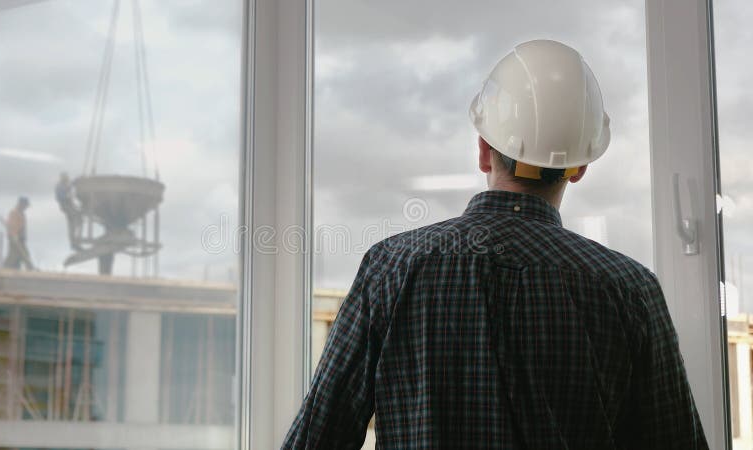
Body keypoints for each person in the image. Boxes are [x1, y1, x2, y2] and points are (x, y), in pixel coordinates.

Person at [282, 40, 707, 449]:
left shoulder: (392, 268)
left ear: (484, 151)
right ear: (578, 168)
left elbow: (317, 437)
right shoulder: (630, 290)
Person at [3, 196, 34, 270]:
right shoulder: (14, 213)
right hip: (16, 239)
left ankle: (8, 269)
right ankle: (31, 269)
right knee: (24, 256)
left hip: (20, 240)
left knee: (14, 257)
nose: (26, 207)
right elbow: (12, 226)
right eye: (25, 205)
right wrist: (14, 236)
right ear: (21, 204)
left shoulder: (21, 213)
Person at [55, 172, 82, 250]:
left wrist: (77, 179)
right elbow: (60, 197)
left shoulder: (65, 185)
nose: (67, 180)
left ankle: (75, 242)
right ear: (63, 178)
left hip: (69, 206)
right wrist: (68, 196)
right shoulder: (59, 186)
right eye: (66, 178)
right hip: (66, 207)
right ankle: (74, 243)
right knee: (73, 224)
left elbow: (71, 184)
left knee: (77, 221)